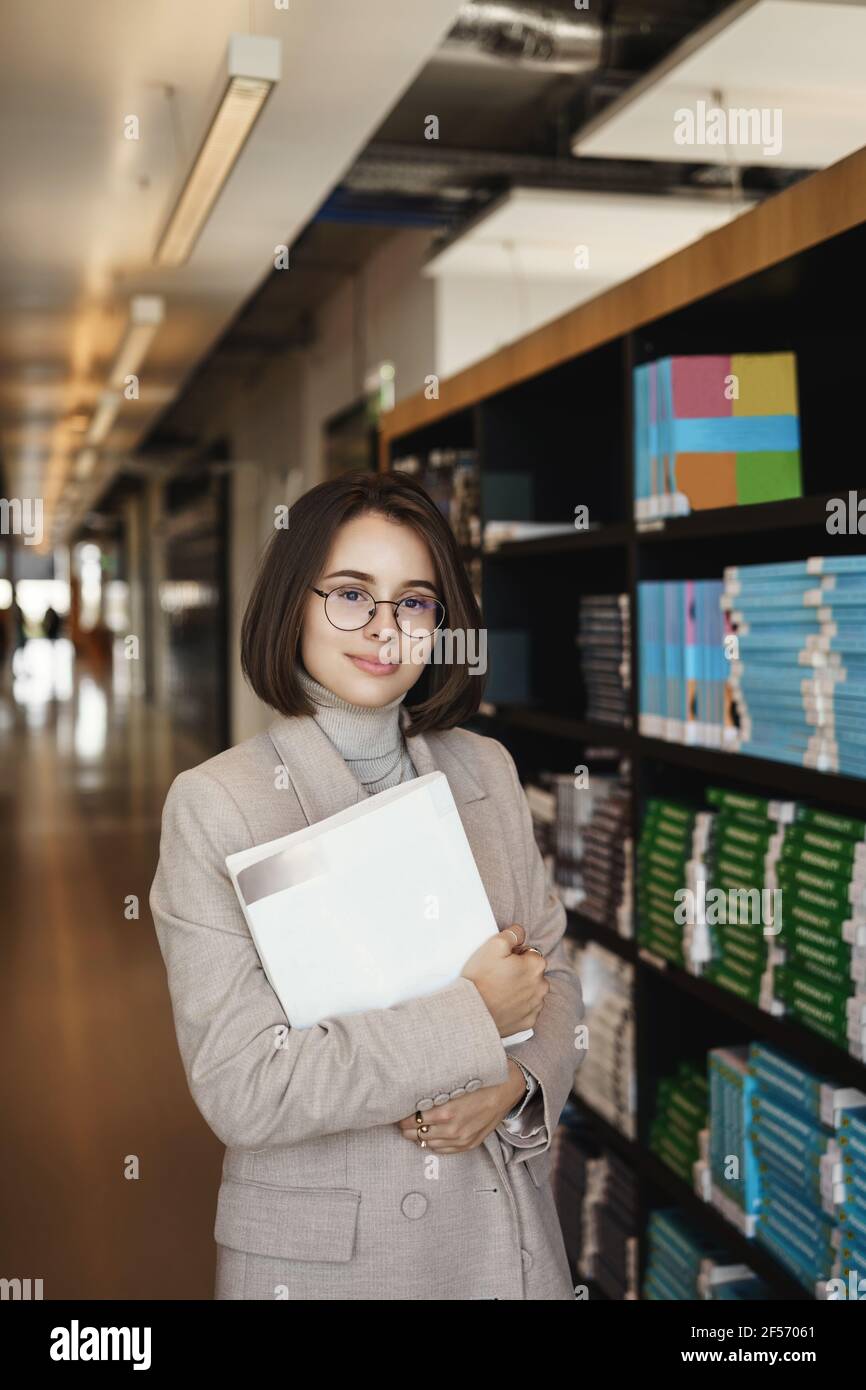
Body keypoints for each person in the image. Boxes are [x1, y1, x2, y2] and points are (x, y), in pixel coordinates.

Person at [150, 469, 584, 1300]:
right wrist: (470, 1020)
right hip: (332, 1262)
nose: (385, 630)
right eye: (351, 595)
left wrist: (514, 1085)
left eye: (414, 602)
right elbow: (246, 1086)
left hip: (501, 1236)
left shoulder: (484, 768)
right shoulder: (218, 805)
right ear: (294, 605)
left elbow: (555, 976)